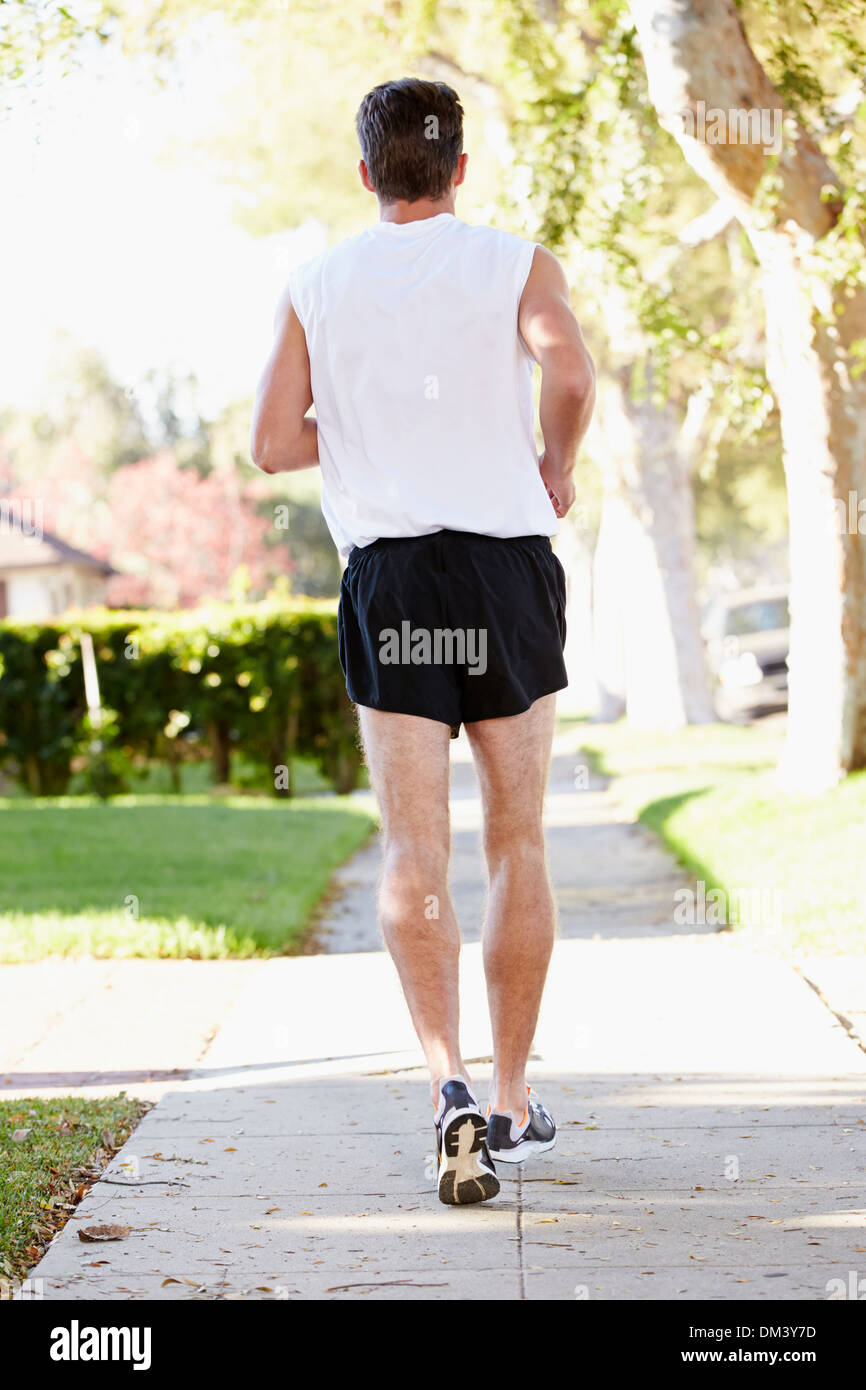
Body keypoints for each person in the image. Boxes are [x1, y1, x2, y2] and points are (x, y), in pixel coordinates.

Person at [251, 77, 595, 1205]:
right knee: (516, 842)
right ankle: (508, 1096)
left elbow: (268, 443)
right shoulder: (514, 260)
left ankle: (445, 1087)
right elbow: (571, 372)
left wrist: (363, 427)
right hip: (504, 566)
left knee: (412, 850)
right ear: (458, 167)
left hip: (392, 576)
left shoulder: (315, 283)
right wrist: (551, 464)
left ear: (366, 174)